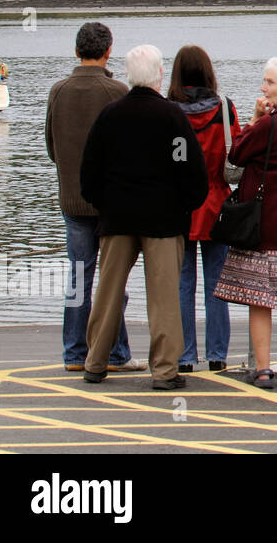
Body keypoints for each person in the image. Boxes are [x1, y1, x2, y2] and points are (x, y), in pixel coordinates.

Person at [80, 45, 208, 389]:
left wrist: (103, 203)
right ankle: (165, 371)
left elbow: (89, 172)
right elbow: (189, 169)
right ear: (159, 74)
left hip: (117, 218)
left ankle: (94, 362)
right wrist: (186, 205)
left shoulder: (109, 116)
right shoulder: (172, 118)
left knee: (107, 293)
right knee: (164, 297)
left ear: (127, 75)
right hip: (162, 220)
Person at [215, 57, 277, 393]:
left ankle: (262, 369)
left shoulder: (269, 124)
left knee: (259, 302)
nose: (263, 87)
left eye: (269, 82)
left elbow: (237, 155)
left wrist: (254, 118)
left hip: (262, 228)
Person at [45, 22, 141, 373]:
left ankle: (73, 352)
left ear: (76, 51)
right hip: (110, 201)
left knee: (77, 278)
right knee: (112, 278)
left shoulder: (58, 90)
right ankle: (115, 353)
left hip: (71, 199)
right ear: (108, 51)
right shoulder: (116, 90)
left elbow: (51, 146)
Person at [167, 45, 240, 373]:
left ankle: (184, 357)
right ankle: (217, 354)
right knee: (217, 281)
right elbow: (235, 153)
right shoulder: (225, 109)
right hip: (216, 202)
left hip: (180, 202)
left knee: (182, 282)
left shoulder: (168, 111)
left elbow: (165, 158)